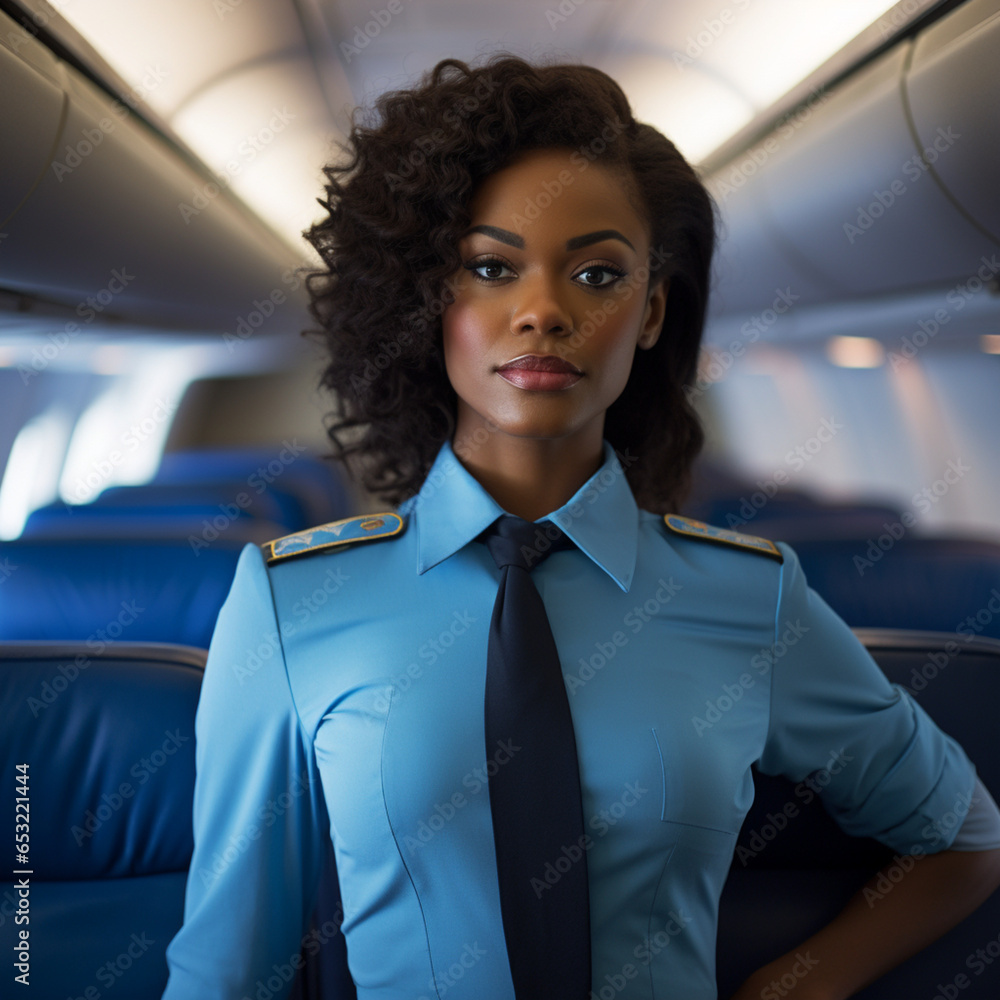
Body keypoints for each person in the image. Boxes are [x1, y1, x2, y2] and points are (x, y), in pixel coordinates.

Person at [162, 55, 1000, 999]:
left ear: (649, 314)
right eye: (490, 269)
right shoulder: (293, 603)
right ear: (427, 301)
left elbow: (965, 835)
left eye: (597, 275)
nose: (544, 313)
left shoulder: (750, 601)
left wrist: (800, 983)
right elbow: (227, 971)